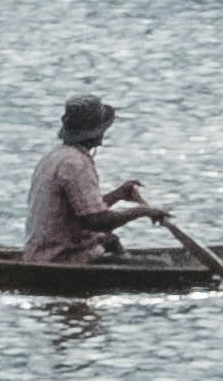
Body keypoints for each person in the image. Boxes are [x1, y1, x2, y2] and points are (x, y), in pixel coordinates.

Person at [23, 92, 170, 266]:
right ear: (97, 131)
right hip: (63, 258)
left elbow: (83, 211)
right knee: (161, 265)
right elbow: (96, 221)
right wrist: (143, 211)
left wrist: (117, 195)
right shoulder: (75, 164)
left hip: (43, 254)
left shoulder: (57, 156)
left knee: (110, 241)